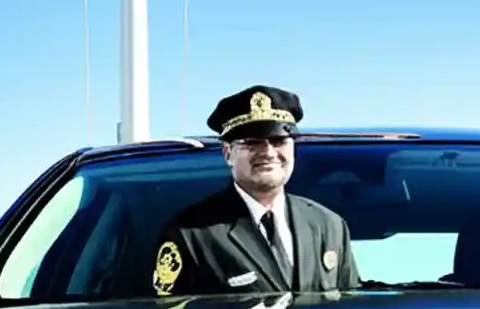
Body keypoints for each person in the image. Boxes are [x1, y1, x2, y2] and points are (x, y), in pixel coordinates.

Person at [152, 85, 362, 297]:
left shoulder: (328, 225)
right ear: (227, 153)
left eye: (279, 141)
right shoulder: (191, 233)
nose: (269, 152)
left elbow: (352, 307)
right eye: (252, 143)